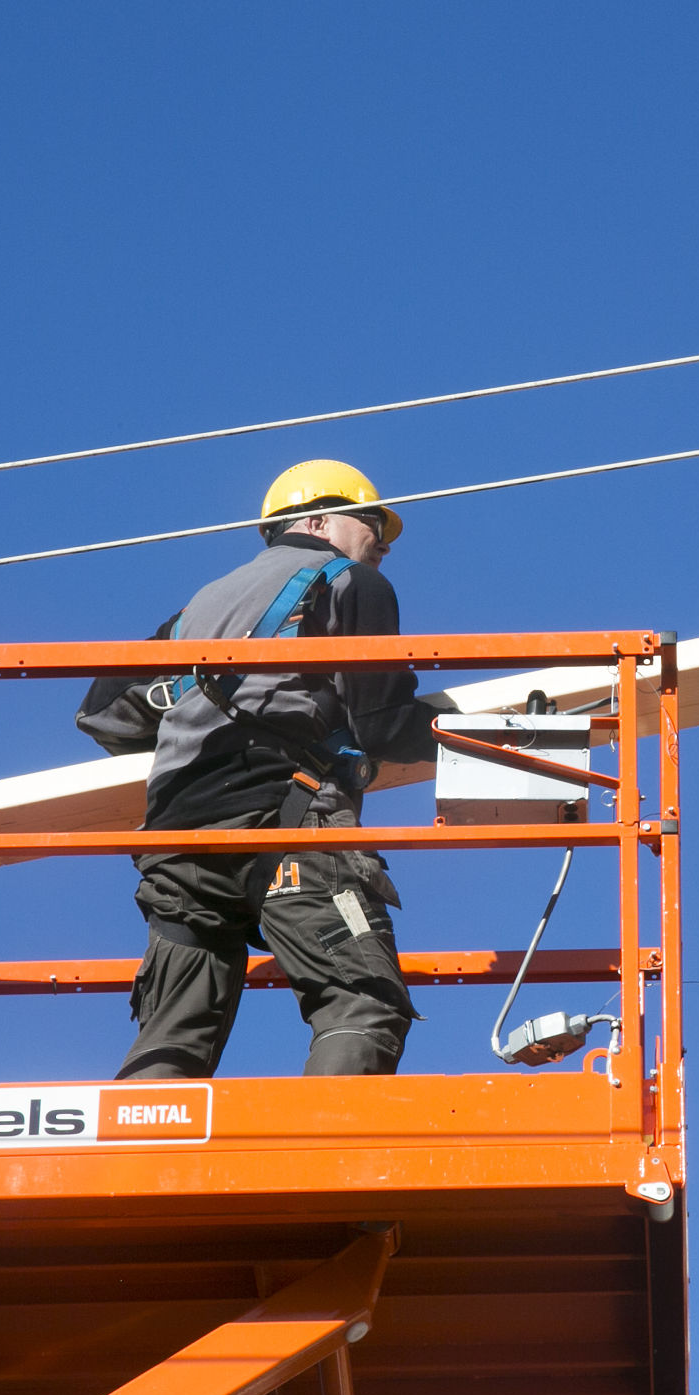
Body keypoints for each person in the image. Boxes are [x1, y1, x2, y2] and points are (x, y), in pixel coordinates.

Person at [113, 460, 444, 1079]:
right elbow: (382, 723)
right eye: (373, 523)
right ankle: (320, 1166)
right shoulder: (348, 580)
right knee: (360, 1006)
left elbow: (107, 716)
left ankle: (136, 1166)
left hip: (177, 846)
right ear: (317, 520)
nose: (385, 544)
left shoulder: (197, 609)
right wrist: (475, 735)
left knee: (172, 1041)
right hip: (289, 823)